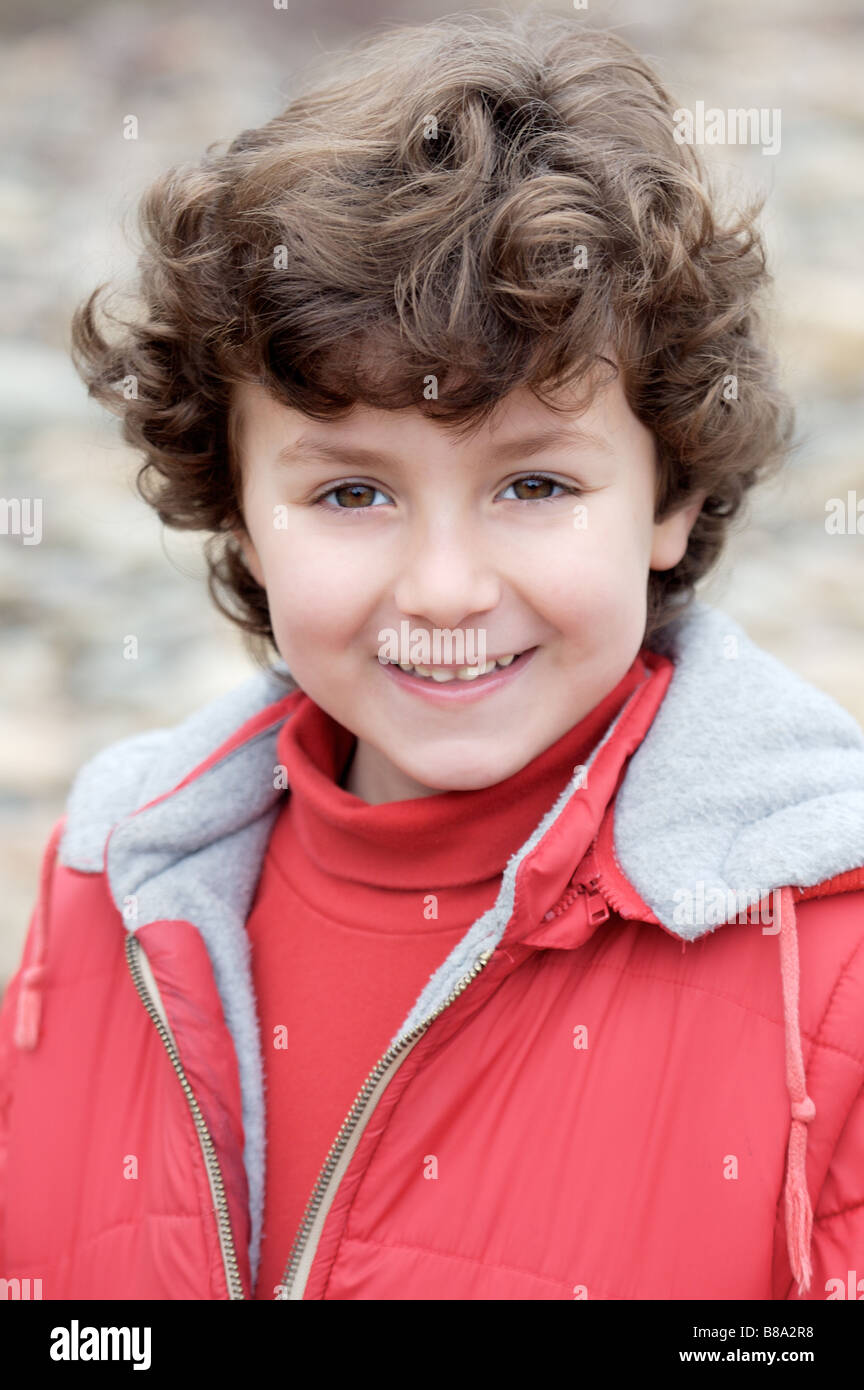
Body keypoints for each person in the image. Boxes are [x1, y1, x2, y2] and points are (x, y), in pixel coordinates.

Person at [2, 12, 863, 1301]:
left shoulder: (831, 957)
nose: (446, 589)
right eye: (352, 495)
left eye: (534, 483)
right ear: (237, 508)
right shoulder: (109, 883)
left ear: (670, 499)